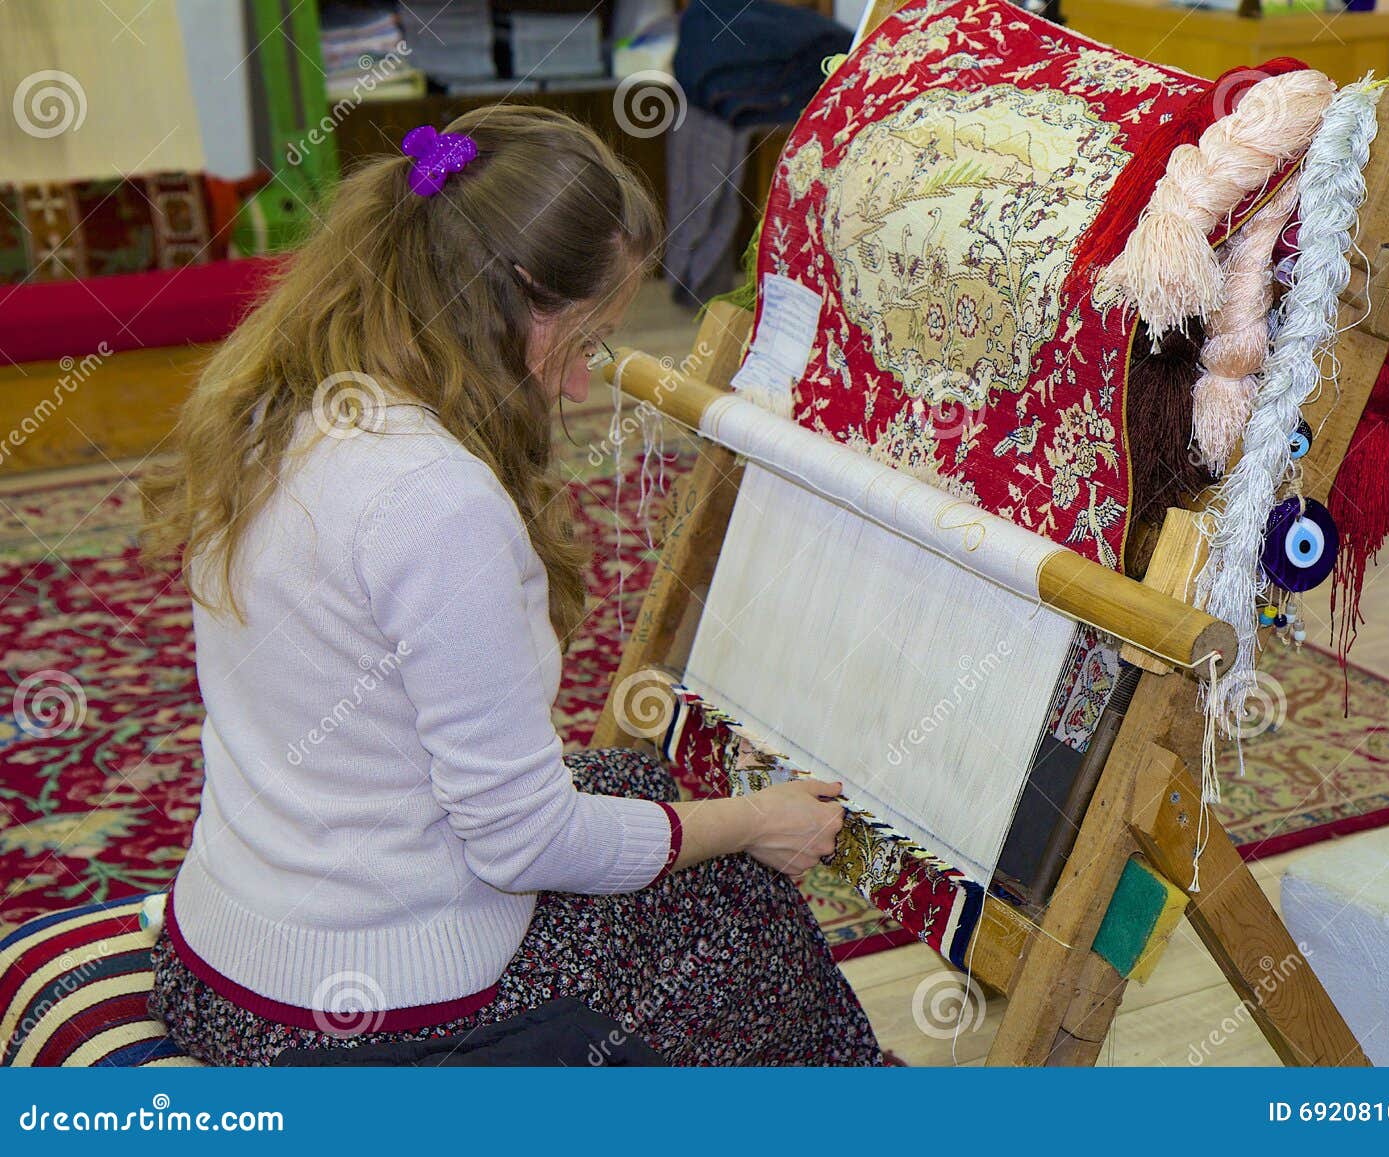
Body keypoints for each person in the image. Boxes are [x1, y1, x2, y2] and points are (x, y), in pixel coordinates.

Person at [139, 106, 882, 1066]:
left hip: (221, 953)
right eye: (584, 341)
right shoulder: (434, 500)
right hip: (341, 1013)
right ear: (517, 297)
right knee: (736, 902)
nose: (577, 388)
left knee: (638, 781)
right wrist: (756, 819)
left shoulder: (274, 401)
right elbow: (520, 844)